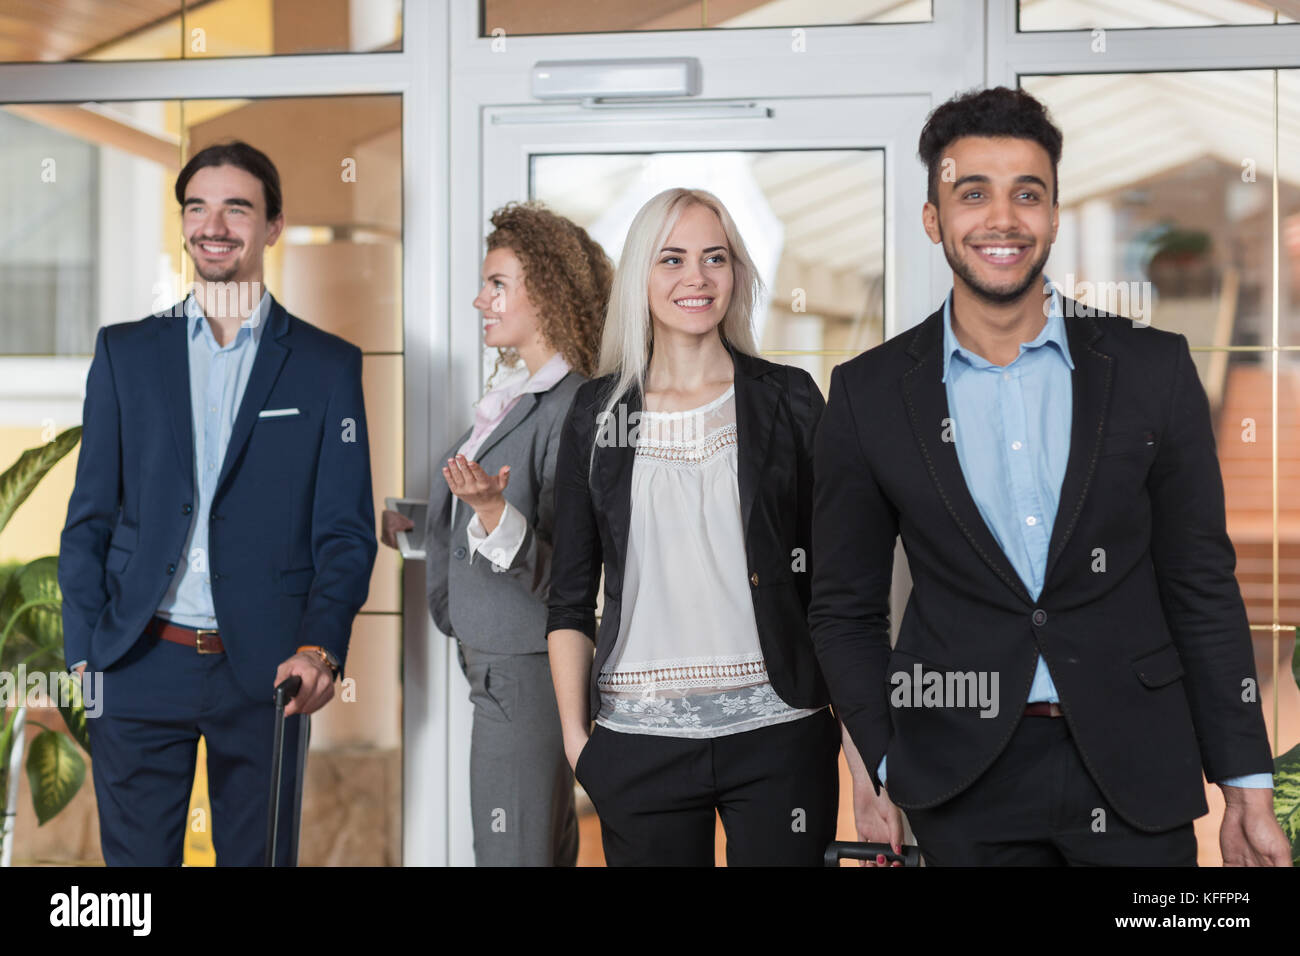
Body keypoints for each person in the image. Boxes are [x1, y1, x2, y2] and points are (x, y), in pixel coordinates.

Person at [809, 86, 1291, 866]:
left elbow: (1201, 581)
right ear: (934, 219)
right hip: (959, 777)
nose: (1002, 219)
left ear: (1055, 216)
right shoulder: (867, 394)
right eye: (973, 194)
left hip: (1137, 770)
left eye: (1026, 194)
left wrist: (1246, 785)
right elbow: (842, 607)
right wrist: (886, 758)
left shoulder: (1153, 368)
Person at [60, 140, 377, 866]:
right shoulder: (126, 354)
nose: (214, 224)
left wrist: (320, 647)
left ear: (272, 226)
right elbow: (89, 519)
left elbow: (345, 532)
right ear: (182, 224)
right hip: (138, 661)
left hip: (267, 670)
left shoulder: (327, 367)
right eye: (197, 207)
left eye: (237, 207)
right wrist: (85, 656)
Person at [546, 187, 840, 867]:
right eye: (672, 259)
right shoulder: (597, 412)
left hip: (781, 736)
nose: (696, 278)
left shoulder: (789, 399)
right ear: (642, 278)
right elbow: (568, 596)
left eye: (715, 257)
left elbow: (833, 587)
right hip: (636, 744)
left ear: (737, 273)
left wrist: (855, 742)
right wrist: (576, 742)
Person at [382, 201, 611, 865]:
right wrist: (423, 523)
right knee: (533, 847)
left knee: (513, 852)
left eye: (497, 284)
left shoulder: (573, 404)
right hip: (496, 658)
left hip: (530, 665)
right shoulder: (519, 392)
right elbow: (491, 505)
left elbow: (571, 567)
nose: (479, 299)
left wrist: (486, 512)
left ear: (546, 291)